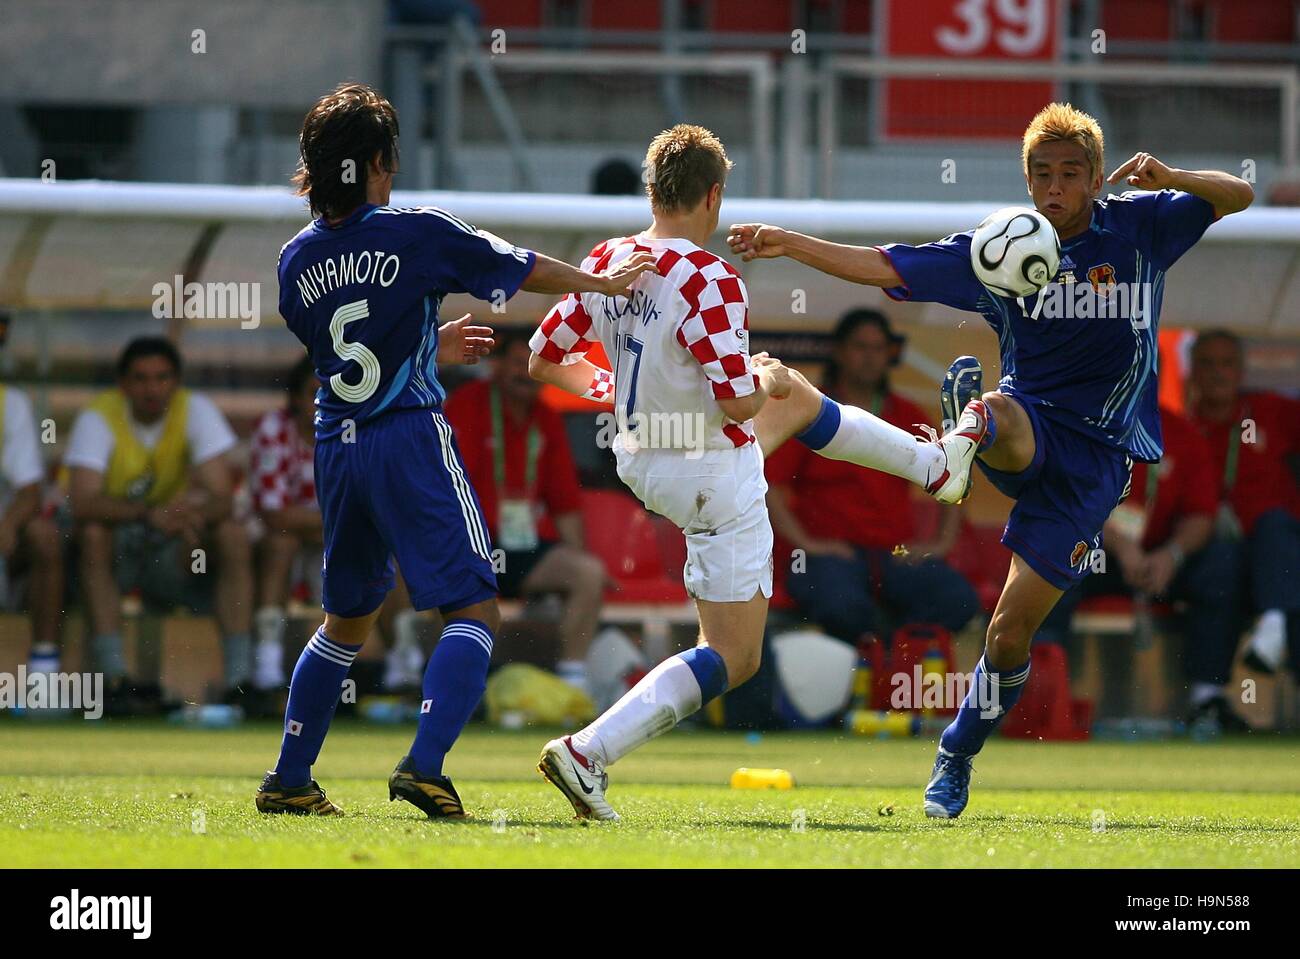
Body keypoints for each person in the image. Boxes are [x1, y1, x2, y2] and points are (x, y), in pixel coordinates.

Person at [726, 101, 1254, 817]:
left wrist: (1176, 176)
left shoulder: (1142, 225)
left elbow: (1238, 196)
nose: (1055, 187)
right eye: (1043, 174)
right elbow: (886, 265)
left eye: (1071, 173)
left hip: (1097, 465)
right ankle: (962, 437)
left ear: (1098, 176)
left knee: (1008, 633)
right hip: (1027, 427)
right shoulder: (998, 247)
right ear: (1028, 179)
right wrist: (788, 241)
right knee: (1003, 407)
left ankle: (956, 752)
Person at [528, 124, 984, 821]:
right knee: (735, 655)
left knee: (798, 397)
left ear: (653, 190)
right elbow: (738, 400)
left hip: (644, 456)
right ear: (713, 196)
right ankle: (589, 751)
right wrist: (760, 373)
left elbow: (542, 357)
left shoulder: (609, 256)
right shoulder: (709, 276)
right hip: (709, 472)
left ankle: (934, 465)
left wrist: (616, 390)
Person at [255, 82, 657, 818]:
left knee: (346, 619)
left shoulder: (293, 262)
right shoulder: (415, 232)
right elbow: (521, 264)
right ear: (378, 162)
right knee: (475, 608)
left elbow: (348, 353)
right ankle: (425, 766)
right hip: (407, 436)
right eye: (389, 161)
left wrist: (423, 344)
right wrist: (599, 281)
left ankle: (289, 776)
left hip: (337, 447)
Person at [766, 309, 980, 643]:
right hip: (830, 556)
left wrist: (940, 545)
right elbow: (771, 489)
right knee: (845, 608)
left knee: (959, 600)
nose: (869, 357)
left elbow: (953, 477)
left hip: (894, 555)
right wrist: (808, 545)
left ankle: (895, 665)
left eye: (878, 349)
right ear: (839, 352)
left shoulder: (907, 413)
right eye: (860, 347)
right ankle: (865, 675)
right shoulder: (810, 410)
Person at [65, 337, 252, 713]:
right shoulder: (98, 417)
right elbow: (82, 502)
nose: (152, 388)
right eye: (141, 379)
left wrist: (190, 515)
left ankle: (241, 682)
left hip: (171, 551)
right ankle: (115, 681)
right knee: (93, 533)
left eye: (162, 378)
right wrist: (149, 514)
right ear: (123, 385)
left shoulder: (194, 409)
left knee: (231, 533)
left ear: (176, 381)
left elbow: (223, 498)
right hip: (115, 551)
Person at [1041, 404, 1247, 731]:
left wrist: (1173, 555)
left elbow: (1201, 514)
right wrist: (1122, 548)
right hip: (1098, 549)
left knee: (1221, 563)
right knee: (1052, 560)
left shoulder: (1183, 434)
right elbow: (1068, 501)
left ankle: (1206, 699)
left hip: (1161, 555)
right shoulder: (1083, 424)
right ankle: (1040, 693)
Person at [248, 356, 425, 710]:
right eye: (313, 393)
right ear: (296, 399)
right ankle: (265, 673)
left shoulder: (364, 430)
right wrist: (342, 519)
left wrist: (326, 521)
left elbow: (386, 510)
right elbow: (274, 515)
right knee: (280, 543)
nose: (322, 402)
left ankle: (403, 674)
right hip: (291, 546)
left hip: (338, 541)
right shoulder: (275, 430)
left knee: (387, 550)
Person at [443, 328, 607, 692]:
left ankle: (571, 684)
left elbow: (564, 503)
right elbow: (446, 489)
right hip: (469, 541)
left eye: (533, 366)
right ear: (497, 366)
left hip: (521, 547)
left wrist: (575, 555)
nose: (525, 374)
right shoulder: (467, 404)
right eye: (518, 364)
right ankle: (423, 680)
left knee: (588, 574)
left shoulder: (547, 418)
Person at [1186, 329, 1300, 678]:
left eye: (1227, 363)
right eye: (1207, 364)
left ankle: (1274, 621)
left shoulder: (1270, 410)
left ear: (1241, 371)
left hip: (1279, 545)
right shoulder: (1180, 429)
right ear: (1192, 371)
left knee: (1275, 526)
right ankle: (1209, 698)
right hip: (1216, 551)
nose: (1218, 372)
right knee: (1220, 565)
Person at [0, 312, 64, 679]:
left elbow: (29, 488)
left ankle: (44, 674)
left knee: (43, 535)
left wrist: (8, 525)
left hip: (5, 549)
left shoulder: (11, 404)